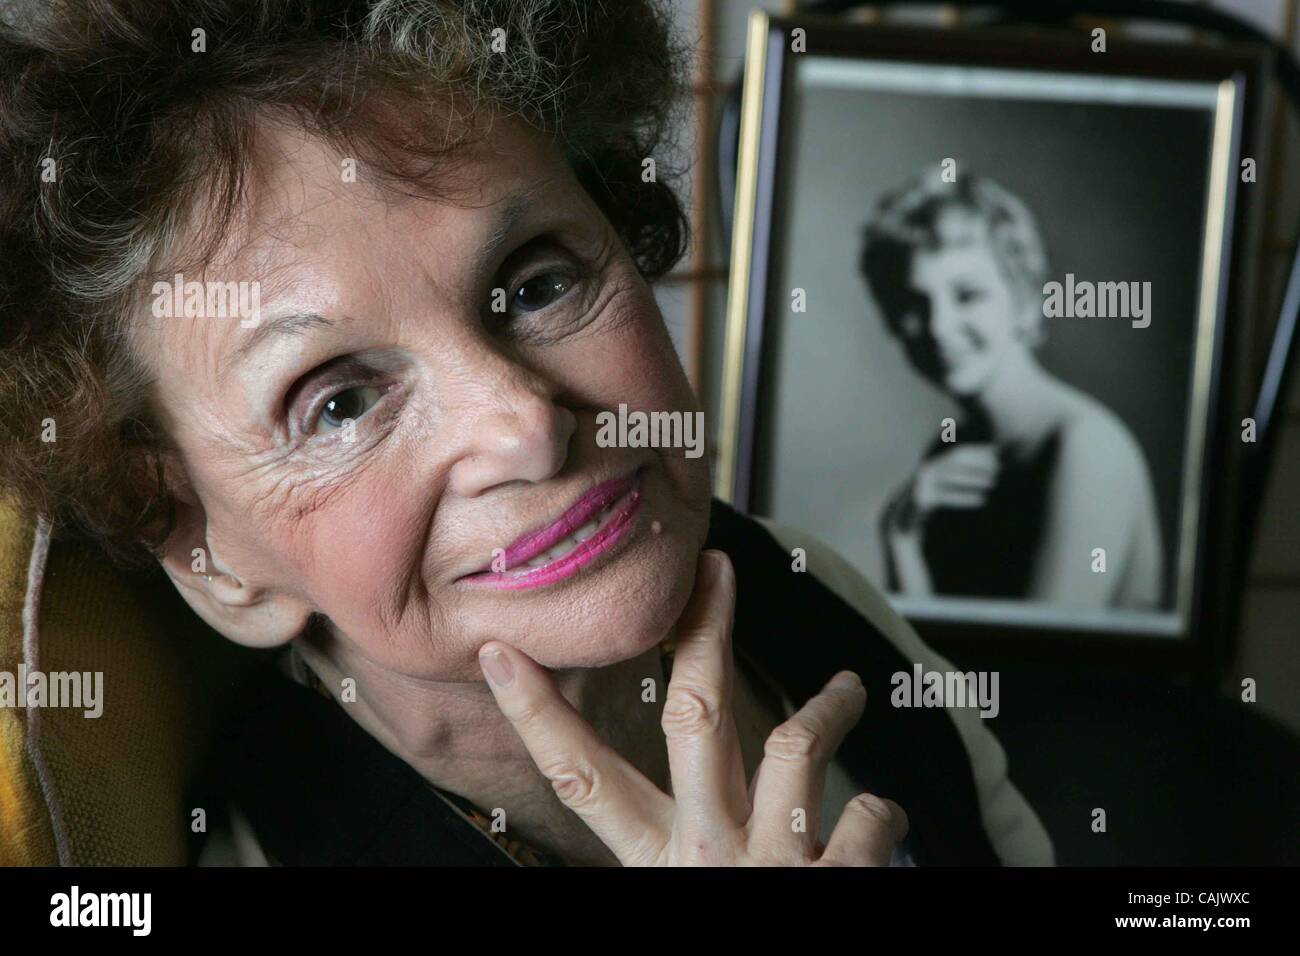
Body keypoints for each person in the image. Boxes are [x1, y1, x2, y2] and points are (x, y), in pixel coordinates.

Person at [0, 0, 1052, 866]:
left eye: (537, 282)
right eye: (339, 401)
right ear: (215, 557)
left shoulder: (803, 590)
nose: (526, 426)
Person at [861, 171, 1164, 608]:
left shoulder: (1086, 446)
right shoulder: (952, 452)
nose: (940, 327)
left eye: (967, 295)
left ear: (1023, 298)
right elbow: (928, 663)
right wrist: (900, 537)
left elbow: (1037, 665)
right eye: (914, 303)